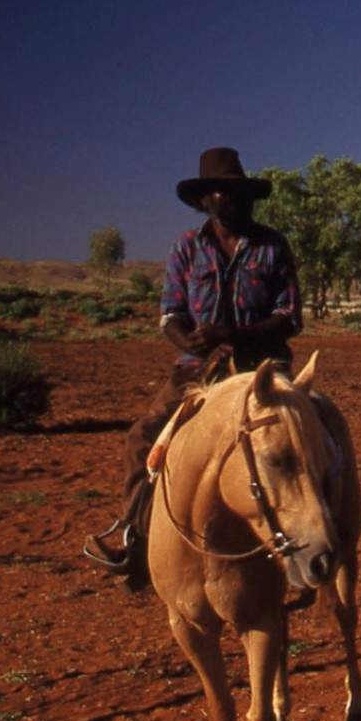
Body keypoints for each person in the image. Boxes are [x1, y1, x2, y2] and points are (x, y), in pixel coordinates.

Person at [84, 146, 302, 589]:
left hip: (261, 368)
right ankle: (134, 536)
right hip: (195, 371)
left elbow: (289, 317)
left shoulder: (272, 245)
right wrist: (199, 348)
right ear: (206, 201)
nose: (235, 202)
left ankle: (315, 543)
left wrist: (233, 335)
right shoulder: (186, 248)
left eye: (241, 195)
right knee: (144, 438)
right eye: (223, 194)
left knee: (301, 440)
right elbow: (170, 316)